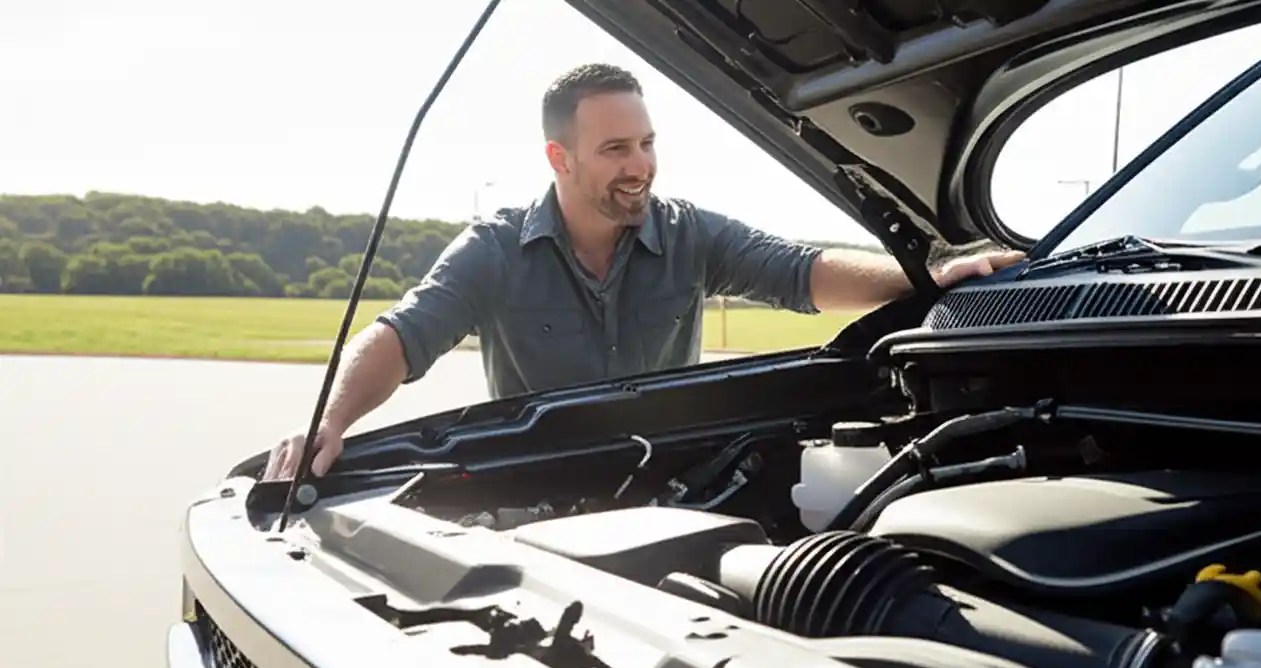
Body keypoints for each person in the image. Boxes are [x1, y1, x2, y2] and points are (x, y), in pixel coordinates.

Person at [262, 63, 1022, 482]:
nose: (641, 168)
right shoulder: (494, 249)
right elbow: (403, 334)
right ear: (559, 158)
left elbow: (802, 271)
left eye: (648, 144)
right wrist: (329, 422)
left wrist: (928, 273)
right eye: (617, 150)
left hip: (678, 484)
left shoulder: (689, 233)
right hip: (543, 490)